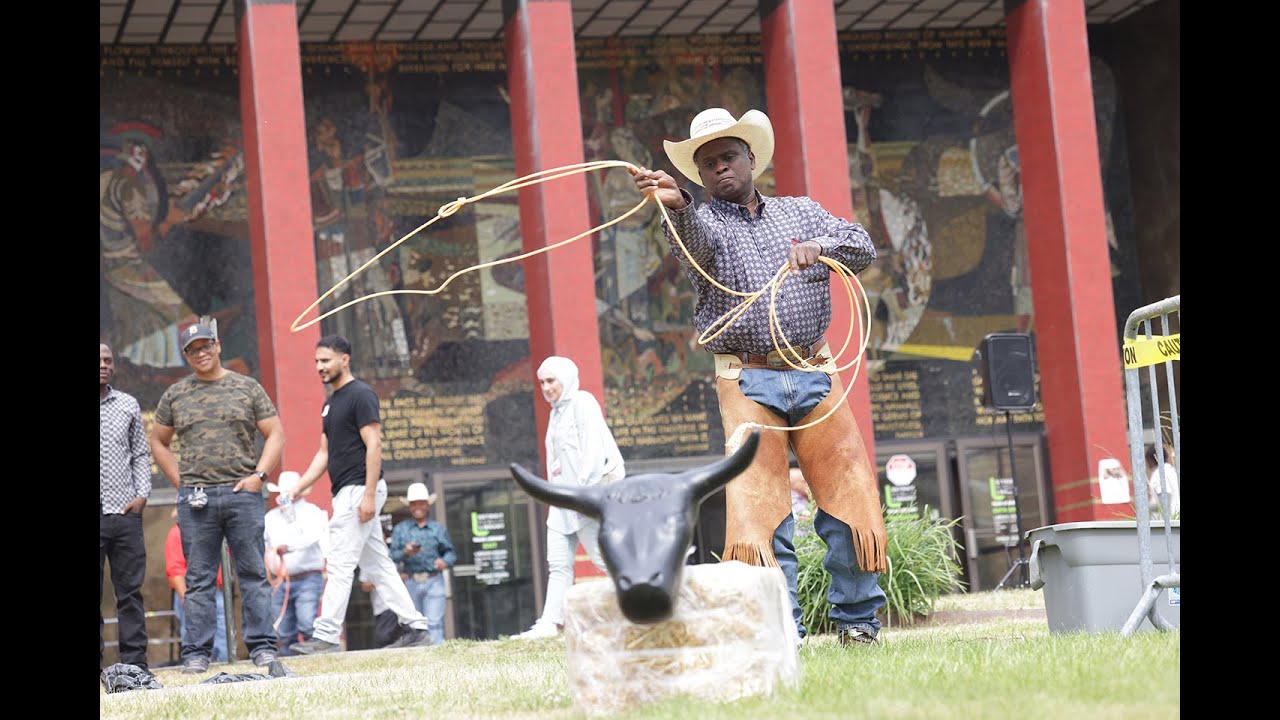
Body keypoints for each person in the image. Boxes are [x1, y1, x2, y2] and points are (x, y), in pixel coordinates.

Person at [631, 108, 888, 646]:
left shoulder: (801, 212)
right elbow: (692, 239)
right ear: (698, 176)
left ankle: (858, 623)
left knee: (849, 495)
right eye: (707, 164)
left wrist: (823, 248)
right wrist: (675, 202)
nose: (720, 168)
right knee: (759, 510)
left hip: (815, 369)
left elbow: (862, 246)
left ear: (751, 158)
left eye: (727, 157)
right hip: (746, 379)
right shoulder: (704, 223)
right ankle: (780, 633)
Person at [149, 318, 286, 673]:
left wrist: (259, 476)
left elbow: (275, 433)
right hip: (197, 499)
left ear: (218, 345)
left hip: (243, 494)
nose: (201, 353)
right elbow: (158, 442)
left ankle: (263, 648)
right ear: (186, 355)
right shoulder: (175, 395)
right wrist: (180, 481)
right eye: (193, 350)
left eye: (206, 346)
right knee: (198, 578)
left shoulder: (247, 387)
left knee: (254, 573)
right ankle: (197, 654)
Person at [284, 334, 435, 654]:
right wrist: (299, 486)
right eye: (316, 362)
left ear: (344, 359)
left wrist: (368, 495)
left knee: (339, 562)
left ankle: (325, 635)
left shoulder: (361, 394)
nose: (319, 367)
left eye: (325, 360)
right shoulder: (330, 403)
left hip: (358, 490)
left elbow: (374, 445)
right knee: (379, 565)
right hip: (347, 491)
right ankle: (417, 627)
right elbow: (324, 453)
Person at [517, 356, 626, 640]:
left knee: (605, 559)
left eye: (551, 380)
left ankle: (646, 601)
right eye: (542, 382)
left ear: (565, 378)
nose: (546, 387)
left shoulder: (582, 403)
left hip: (583, 499)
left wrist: (581, 496)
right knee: (559, 564)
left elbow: (592, 455)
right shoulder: (556, 413)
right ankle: (551, 623)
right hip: (562, 502)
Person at [100, 342, 153, 672]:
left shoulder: (128, 405)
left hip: (124, 514)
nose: (104, 365)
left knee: (130, 594)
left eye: (108, 360)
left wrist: (142, 495)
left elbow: (141, 454)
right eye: (99, 360)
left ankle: (135, 666)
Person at [263, 471, 330, 656]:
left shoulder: (312, 512)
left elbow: (312, 536)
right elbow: (265, 545)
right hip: (280, 581)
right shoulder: (270, 517)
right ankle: (289, 667)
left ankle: (315, 661)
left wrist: (289, 547)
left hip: (307, 577)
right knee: (283, 630)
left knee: (307, 623)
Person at [389, 483, 457, 645]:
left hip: (434, 580)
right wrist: (406, 552)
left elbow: (451, 553)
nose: (417, 507)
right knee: (415, 627)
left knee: (434, 623)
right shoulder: (401, 529)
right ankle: (420, 660)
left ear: (427, 505)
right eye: (414, 504)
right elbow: (391, 556)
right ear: (410, 507)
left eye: (421, 503)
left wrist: (444, 561)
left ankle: (438, 662)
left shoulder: (437, 529)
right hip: (411, 582)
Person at [164, 518, 228, 662]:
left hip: (215, 589)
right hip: (190, 590)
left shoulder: (214, 528)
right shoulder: (177, 532)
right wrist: (184, 596)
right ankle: (196, 662)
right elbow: (175, 568)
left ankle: (222, 663)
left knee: (222, 635)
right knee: (194, 632)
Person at [1144, 443, 1181, 518]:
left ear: (1150, 459)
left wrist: (1143, 506)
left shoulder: (1159, 473)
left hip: (1167, 522)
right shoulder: (1171, 470)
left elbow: (1164, 502)